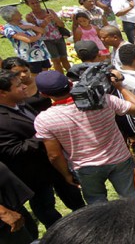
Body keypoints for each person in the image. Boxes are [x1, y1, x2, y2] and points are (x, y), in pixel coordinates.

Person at [34, 70, 135, 203]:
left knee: (96, 204)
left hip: (85, 168)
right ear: (70, 84)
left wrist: (66, 174)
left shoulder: (44, 119)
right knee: (132, 199)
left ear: (43, 94)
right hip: (119, 158)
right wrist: (120, 86)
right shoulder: (103, 100)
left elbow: (54, 155)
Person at [0, 71, 82, 230]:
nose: (25, 86)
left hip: (55, 164)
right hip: (33, 176)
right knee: (46, 208)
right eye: (18, 86)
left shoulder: (21, 103)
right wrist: (45, 134)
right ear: (3, 93)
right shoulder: (2, 120)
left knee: (75, 199)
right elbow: (15, 150)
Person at [23, 0, 69, 73]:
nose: (36, 4)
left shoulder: (49, 11)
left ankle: (72, 75)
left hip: (58, 37)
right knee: (56, 60)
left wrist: (55, 18)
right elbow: (36, 31)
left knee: (64, 58)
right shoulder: (30, 16)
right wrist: (45, 22)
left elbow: (61, 25)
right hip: (46, 40)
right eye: (32, 3)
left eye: (37, 2)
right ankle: (61, 77)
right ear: (28, 5)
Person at [0, 6, 50, 74]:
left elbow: (43, 31)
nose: (20, 14)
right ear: (12, 16)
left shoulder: (24, 23)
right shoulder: (9, 29)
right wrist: (39, 35)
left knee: (46, 73)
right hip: (30, 57)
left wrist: (30, 27)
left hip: (42, 53)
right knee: (35, 75)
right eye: (18, 13)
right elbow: (28, 40)